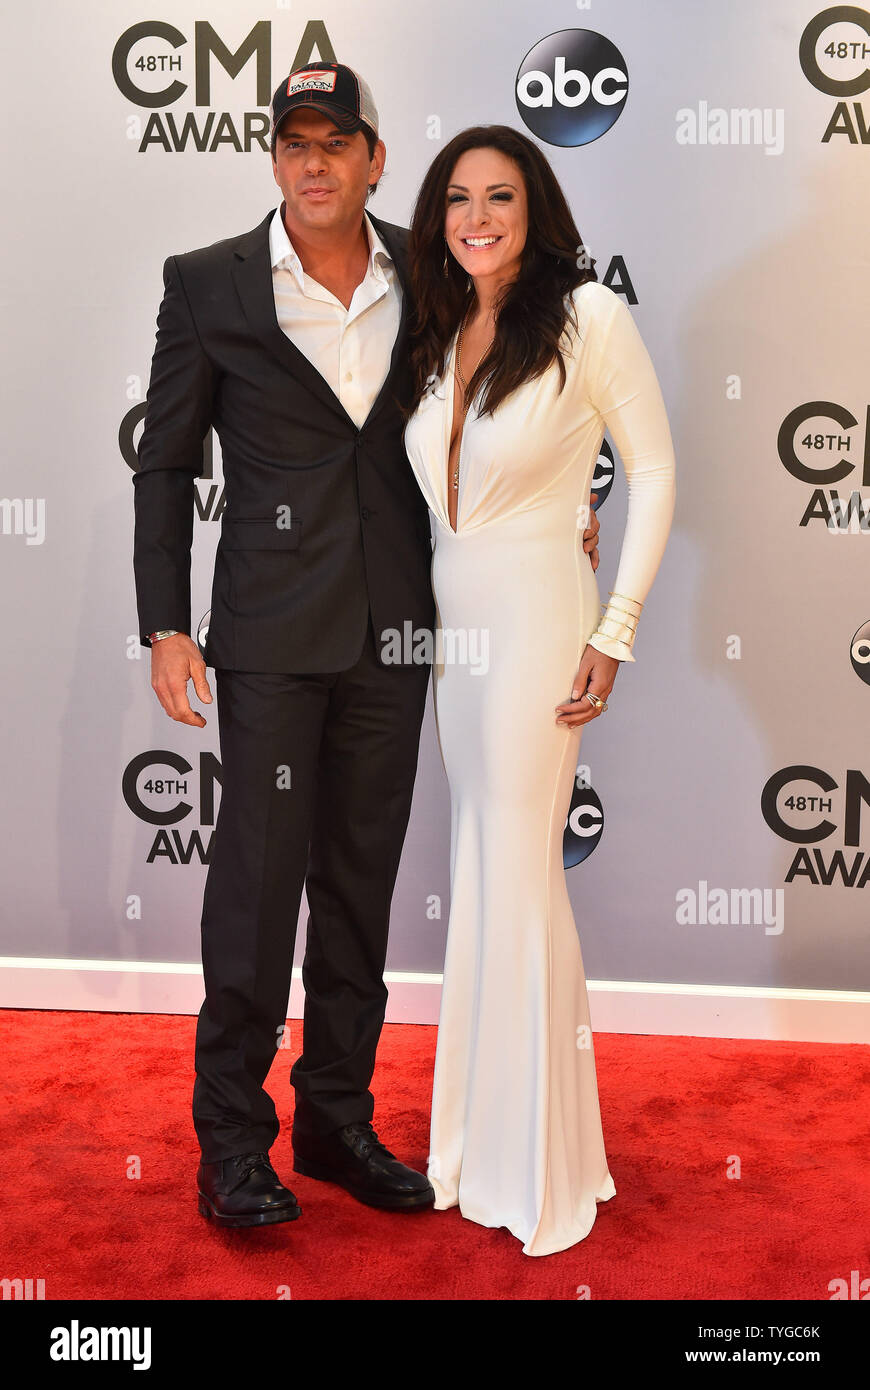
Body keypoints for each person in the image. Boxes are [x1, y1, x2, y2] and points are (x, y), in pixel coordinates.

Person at [132, 62, 606, 1229]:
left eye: (335, 142)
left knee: (359, 885)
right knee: (254, 887)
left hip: (399, 634)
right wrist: (164, 622)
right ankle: (234, 1142)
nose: (313, 162)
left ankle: (339, 1121)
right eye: (293, 143)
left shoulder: (436, 267)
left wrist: (554, 498)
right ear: (274, 158)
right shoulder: (208, 285)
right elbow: (168, 464)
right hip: (269, 637)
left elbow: (505, 397)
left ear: (375, 158)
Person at [402, 125, 676, 1255]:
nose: (479, 217)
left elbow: (652, 469)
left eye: (501, 197)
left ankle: (540, 1165)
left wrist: (614, 629)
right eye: (459, 198)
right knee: (484, 869)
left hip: (541, 623)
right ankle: (478, 1144)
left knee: (518, 872)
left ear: (537, 206)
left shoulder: (587, 316)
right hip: (458, 637)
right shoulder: (433, 325)